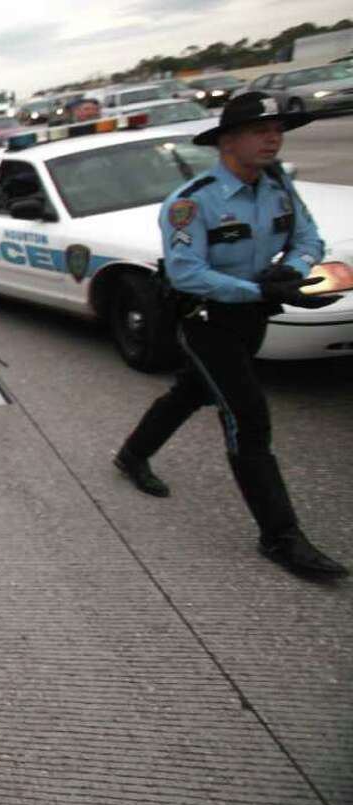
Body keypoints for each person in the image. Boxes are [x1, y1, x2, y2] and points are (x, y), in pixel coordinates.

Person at [114, 92, 346, 578]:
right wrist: (257, 289)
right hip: (206, 320)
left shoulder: (278, 185)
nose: (273, 139)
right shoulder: (191, 203)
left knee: (192, 391)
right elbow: (186, 273)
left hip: (253, 316)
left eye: (278, 130)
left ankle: (132, 455)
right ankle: (280, 536)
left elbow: (308, 238)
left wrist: (292, 272)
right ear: (227, 142)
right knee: (247, 418)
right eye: (260, 131)